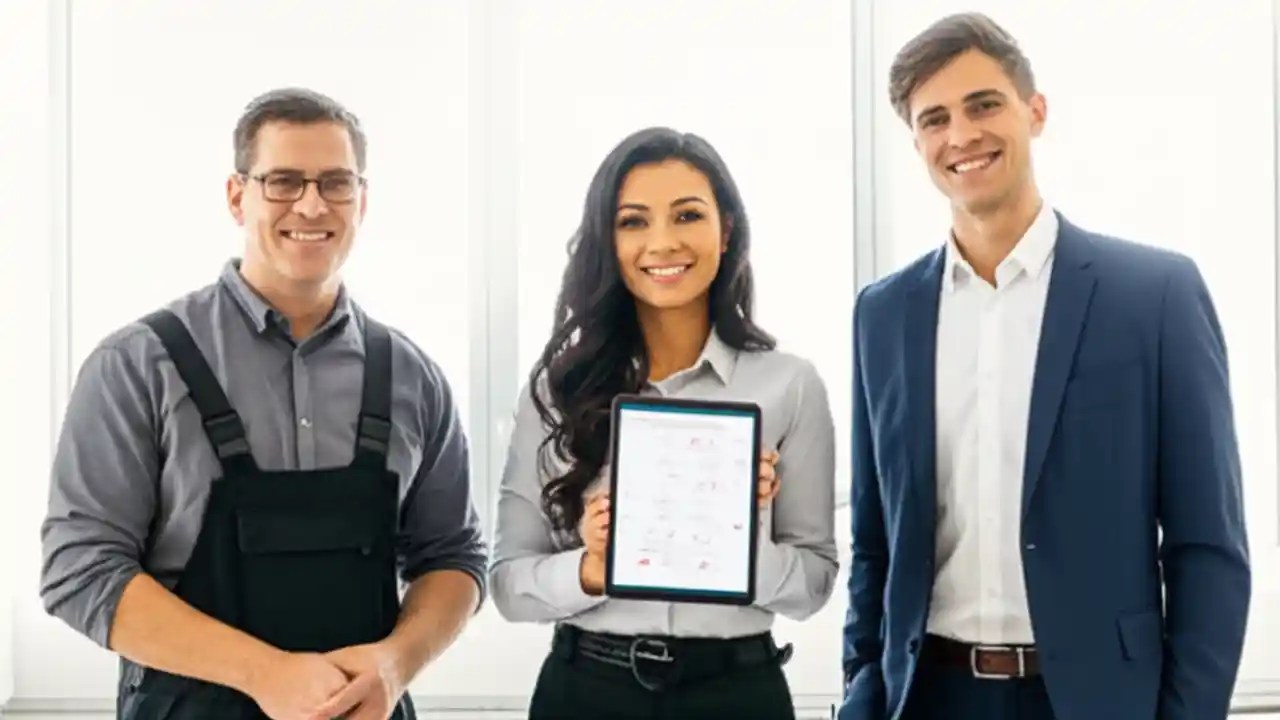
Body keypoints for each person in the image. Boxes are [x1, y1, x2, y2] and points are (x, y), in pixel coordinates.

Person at [837, 12, 1252, 720]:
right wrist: (863, 690)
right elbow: (875, 542)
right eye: (934, 119)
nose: (961, 135)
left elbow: (1207, 547)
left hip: (1096, 701)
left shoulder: (1154, 296)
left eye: (983, 104)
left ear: (1035, 111)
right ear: (917, 143)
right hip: (930, 696)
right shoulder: (883, 313)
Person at [39, 87, 488, 720]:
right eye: (283, 181)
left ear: (363, 200)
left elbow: (455, 556)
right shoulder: (138, 363)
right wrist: (266, 675)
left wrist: (396, 663)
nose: (311, 203)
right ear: (236, 196)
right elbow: (79, 568)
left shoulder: (414, 377)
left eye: (336, 182)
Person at [489, 127, 839, 719]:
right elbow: (508, 586)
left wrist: (738, 541)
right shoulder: (555, 388)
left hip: (737, 695)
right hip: (586, 692)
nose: (662, 242)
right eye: (633, 221)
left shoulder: (790, 385)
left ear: (725, 231)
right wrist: (590, 568)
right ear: (607, 239)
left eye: (687, 215)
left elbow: (814, 587)